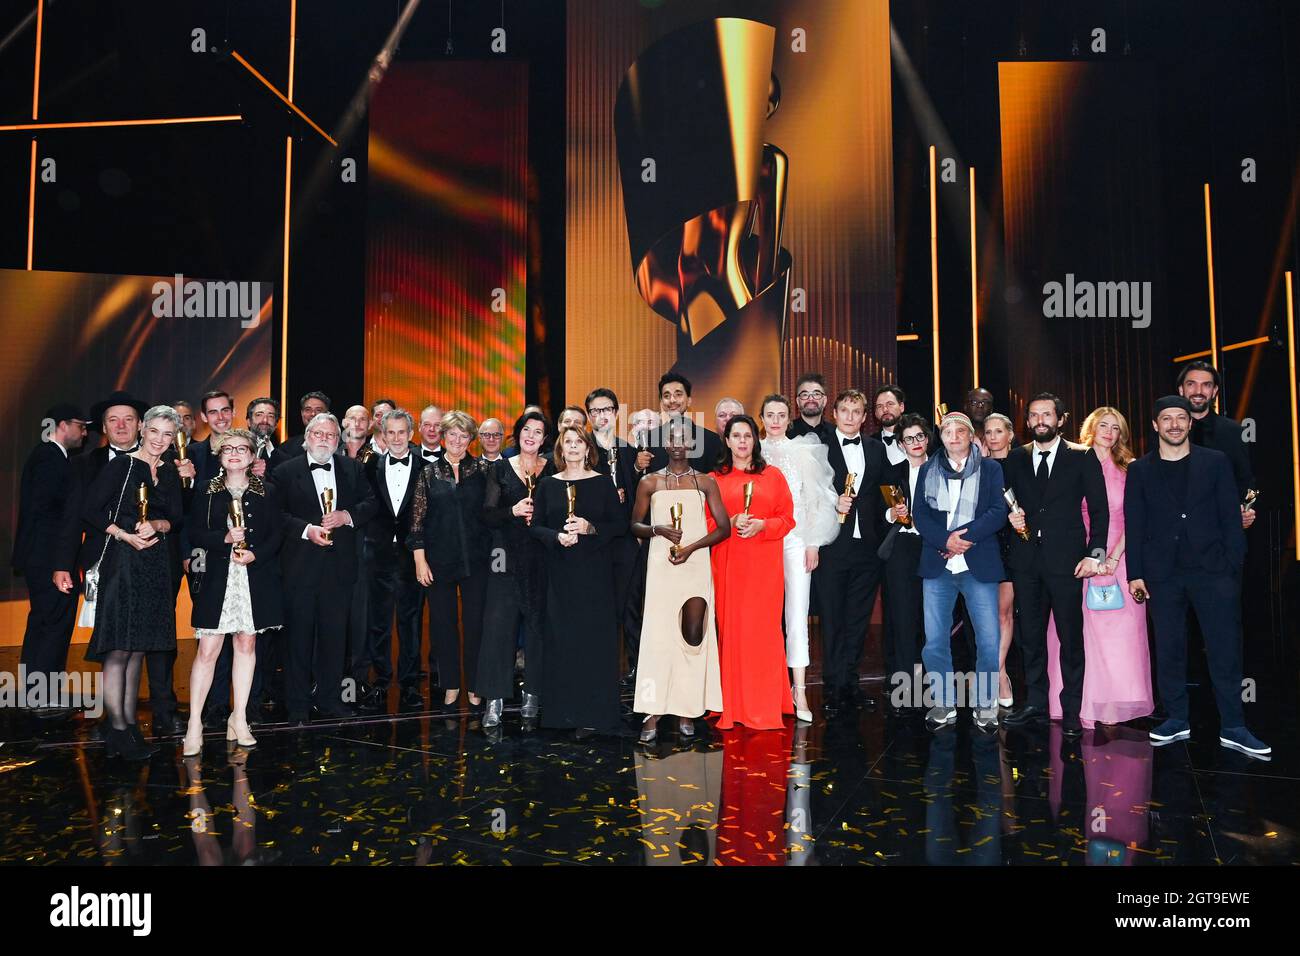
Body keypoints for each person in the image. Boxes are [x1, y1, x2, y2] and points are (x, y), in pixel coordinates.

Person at [1126, 396, 1268, 757]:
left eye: (1181, 418)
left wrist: (1233, 564)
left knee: (1224, 650)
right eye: (1166, 419)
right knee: (1170, 648)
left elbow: (1229, 518)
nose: (1174, 424)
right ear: (1155, 426)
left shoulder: (1216, 462)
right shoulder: (1140, 469)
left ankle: (1234, 726)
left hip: (1213, 572)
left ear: (1190, 424)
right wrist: (1136, 573)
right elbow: (1135, 522)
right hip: (1163, 574)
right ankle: (1176, 719)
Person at [56, 390, 185, 738]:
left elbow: (175, 517)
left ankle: (128, 727)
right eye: (154, 431)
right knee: (118, 649)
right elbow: (90, 511)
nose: (160, 439)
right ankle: (117, 729)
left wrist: (158, 525)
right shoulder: (122, 466)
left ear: (175, 438)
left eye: (168, 434)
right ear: (143, 430)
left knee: (137, 649)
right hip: (121, 562)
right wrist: (125, 535)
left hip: (154, 566)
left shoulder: (169, 472)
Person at [1001, 393, 1108, 738]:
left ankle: (1072, 708)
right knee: (1030, 637)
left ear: (1061, 419)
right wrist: (1011, 519)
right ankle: (1035, 703)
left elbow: (1099, 509)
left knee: (1069, 637)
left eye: (1047, 414)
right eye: (1034, 415)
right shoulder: (1015, 459)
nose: (1040, 420)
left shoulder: (1082, 455)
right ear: (1028, 422)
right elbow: (1006, 505)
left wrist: (1096, 552)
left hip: (1067, 563)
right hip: (1026, 562)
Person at [1044, 408, 1152, 728]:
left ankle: (1115, 703)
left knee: (1120, 638)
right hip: (1081, 563)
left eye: (1115, 427)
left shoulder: (1131, 469)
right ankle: (1077, 702)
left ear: (1122, 434)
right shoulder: (1073, 463)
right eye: (1103, 425)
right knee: (1076, 635)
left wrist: (1113, 558)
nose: (1109, 431)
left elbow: (1137, 520)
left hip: (1120, 561)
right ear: (1090, 428)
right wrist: (1090, 556)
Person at [183, 429, 284, 754]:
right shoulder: (205, 491)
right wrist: (223, 540)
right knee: (209, 650)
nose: (236, 453)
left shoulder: (267, 491)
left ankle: (239, 718)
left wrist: (256, 554)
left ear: (252, 456)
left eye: (243, 448)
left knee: (246, 643)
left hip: (254, 578)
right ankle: (194, 724)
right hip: (217, 580)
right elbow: (194, 532)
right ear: (220, 456)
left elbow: (277, 534)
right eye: (229, 449)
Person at [631, 417, 731, 741]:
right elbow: (634, 526)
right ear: (665, 443)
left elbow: (723, 527)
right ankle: (654, 711)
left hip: (695, 565)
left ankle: (688, 709)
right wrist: (657, 530)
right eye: (671, 437)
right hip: (661, 566)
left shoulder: (705, 482)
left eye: (683, 437)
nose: (677, 442)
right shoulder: (650, 482)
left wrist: (691, 548)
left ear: (691, 443)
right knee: (658, 639)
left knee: (693, 637)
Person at [273, 412, 376, 724]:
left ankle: (330, 700)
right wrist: (307, 530)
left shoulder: (353, 468)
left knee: (334, 638)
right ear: (307, 437)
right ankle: (298, 705)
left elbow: (371, 504)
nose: (324, 440)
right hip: (299, 569)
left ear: (338, 440)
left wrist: (346, 516)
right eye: (318, 434)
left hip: (340, 569)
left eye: (331, 435)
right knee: (298, 641)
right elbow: (276, 515)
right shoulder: (284, 472)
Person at [911, 412, 1008, 731]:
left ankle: (985, 703)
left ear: (970, 435)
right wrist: (945, 540)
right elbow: (920, 515)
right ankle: (943, 702)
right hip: (938, 563)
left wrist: (962, 538)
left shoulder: (991, 468)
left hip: (977, 561)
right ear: (941, 436)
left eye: (960, 430)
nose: (953, 436)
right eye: (947, 430)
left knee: (989, 639)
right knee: (935, 640)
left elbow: (997, 512)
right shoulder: (928, 469)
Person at [530, 425, 628, 733]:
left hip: (595, 575)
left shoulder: (602, 484)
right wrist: (557, 537)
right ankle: (562, 715)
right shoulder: (547, 485)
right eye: (567, 442)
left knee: (593, 642)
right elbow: (535, 528)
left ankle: (595, 715)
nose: (573, 446)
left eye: (578, 442)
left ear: (588, 449)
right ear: (561, 449)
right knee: (562, 641)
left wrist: (590, 528)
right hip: (559, 575)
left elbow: (620, 525)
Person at [711, 415, 796, 730]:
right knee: (732, 632)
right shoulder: (714, 479)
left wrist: (763, 525)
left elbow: (787, 519)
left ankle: (765, 703)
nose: (743, 441)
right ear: (728, 441)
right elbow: (706, 524)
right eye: (736, 435)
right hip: (729, 565)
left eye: (748, 435)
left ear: (755, 440)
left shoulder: (772, 477)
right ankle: (732, 705)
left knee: (763, 633)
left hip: (763, 566)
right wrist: (729, 523)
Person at [759, 394, 838, 722]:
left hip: (795, 540)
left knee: (797, 614)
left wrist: (813, 543)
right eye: (769, 415)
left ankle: (800, 690)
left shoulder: (803, 450)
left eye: (781, 414)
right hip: (760, 541)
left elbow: (820, 498)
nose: (775, 420)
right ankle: (764, 686)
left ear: (788, 417)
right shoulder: (753, 451)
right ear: (761, 418)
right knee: (762, 616)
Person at [813, 389, 890, 715]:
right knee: (833, 619)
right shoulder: (820, 449)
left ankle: (851, 683)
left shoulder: (875, 448)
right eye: (843, 410)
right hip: (833, 546)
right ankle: (833, 685)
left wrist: (896, 513)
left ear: (863, 416)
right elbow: (811, 494)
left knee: (858, 620)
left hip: (867, 549)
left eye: (855, 411)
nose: (849, 416)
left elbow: (887, 492)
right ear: (835, 413)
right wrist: (833, 504)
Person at [411, 411, 491, 712]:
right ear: (443, 436)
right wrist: (420, 560)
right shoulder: (428, 473)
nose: (457, 441)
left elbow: (492, 514)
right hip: (439, 561)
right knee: (442, 625)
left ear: (471, 439)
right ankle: (450, 684)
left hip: (476, 560)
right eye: (452, 434)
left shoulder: (483, 470)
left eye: (464, 435)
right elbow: (417, 521)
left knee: (475, 625)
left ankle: (474, 684)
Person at [479, 411, 554, 726]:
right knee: (499, 629)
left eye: (538, 431)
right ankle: (494, 699)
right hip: (505, 560)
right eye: (527, 429)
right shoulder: (500, 469)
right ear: (518, 433)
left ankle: (533, 696)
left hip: (541, 559)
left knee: (537, 628)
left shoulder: (553, 470)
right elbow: (486, 515)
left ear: (544, 439)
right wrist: (512, 510)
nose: (531, 435)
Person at [13, 404, 88, 706]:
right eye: (81, 426)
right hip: (48, 559)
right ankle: (41, 698)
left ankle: (38, 695)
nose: (85, 433)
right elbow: (47, 515)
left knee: (45, 623)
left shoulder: (51, 457)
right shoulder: (50, 458)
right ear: (63, 425)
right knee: (51, 625)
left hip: (44, 557)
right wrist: (60, 564)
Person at [360, 409, 427, 711]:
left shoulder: (427, 468)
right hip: (378, 555)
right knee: (379, 624)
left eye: (403, 432)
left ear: (411, 435)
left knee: (410, 624)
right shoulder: (368, 466)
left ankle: (410, 684)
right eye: (391, 432)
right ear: (383, 435)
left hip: (414, 557)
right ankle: (381, 682)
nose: (397, 438)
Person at [585, 387, 644, 679]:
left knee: (630, 604)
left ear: (616, 413)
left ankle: (636, 665)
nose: (601, 415)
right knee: (598, 605)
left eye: (607, 409)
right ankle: (600, 665)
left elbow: (638, 495)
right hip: (594, 540)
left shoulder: (628, 451)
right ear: (589, 416)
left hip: (625, 539)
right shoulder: (582, 451)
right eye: (595, 411)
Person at [879, 413, 931, 708]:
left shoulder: (942, 469)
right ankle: (905, 685)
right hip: (901, 548)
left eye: (920, 436)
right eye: (909, 438)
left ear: (927, 439)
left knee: (932, 617)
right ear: (900, 444)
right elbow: (881, 513)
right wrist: (892, 514)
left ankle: (931, 682)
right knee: (902, 616)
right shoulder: (892, 473)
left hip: (934, 547)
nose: (915, 443)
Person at [1176, 360, 1256, 525]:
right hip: (1177, 531)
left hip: (1221, 530)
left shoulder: (1234, 431)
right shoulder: (1168, 431)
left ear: (1214, 391)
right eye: (1191, 384)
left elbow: (1247, 481)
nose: (1198, 391)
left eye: (1206, 385)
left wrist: (1246, 509)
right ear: (1181, 389)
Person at [982, 412, 1018, 708]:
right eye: (989, 432)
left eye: (998, 431)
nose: (993, 437)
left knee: (1004, 612)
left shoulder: (1021, 462)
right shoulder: (980, 468)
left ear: (1010, 435)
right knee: (989, 614)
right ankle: (996, 672)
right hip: (987, 543)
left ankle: (1000, 673)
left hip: (1016, 543)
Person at [649, 372, 723, 472]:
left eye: (678, 394)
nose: (672, 400)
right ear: (661, 402)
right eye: (666, 396)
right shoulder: (651, 439)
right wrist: (638, 467)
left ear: (689, 400)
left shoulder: (711, 440)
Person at [270, 390, 330, 470]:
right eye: (308, 410)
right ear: (302, 413)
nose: (313, 414)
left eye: (318, 410)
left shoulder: (339, 446)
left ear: (327, 414)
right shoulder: (286, 448)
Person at [788, 372, 832, 441]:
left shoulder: (836, 433)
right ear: (797, 401)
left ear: (825, 401)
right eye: (805, 394)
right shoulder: (786, 432)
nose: (811, 399)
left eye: (816, 394)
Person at [246, 397, 281, 481]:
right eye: (259, 415)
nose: (265, 420)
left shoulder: (285, 460)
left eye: (271, 416)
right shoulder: (233, 453)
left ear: (276, 424)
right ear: (248, 421)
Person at [872, 386, 908, 466]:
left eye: (890, 404)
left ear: (901, 407)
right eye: (879, 406)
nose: (885, 409)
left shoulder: (920, 437)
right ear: (875, 413)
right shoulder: (870, 445)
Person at [964, 387, 995, 453]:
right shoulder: (955, 437)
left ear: (991, 409)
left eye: (985, 402)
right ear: (965, 407)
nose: (980, 406)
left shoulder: (1002, 437)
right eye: (974, 402)